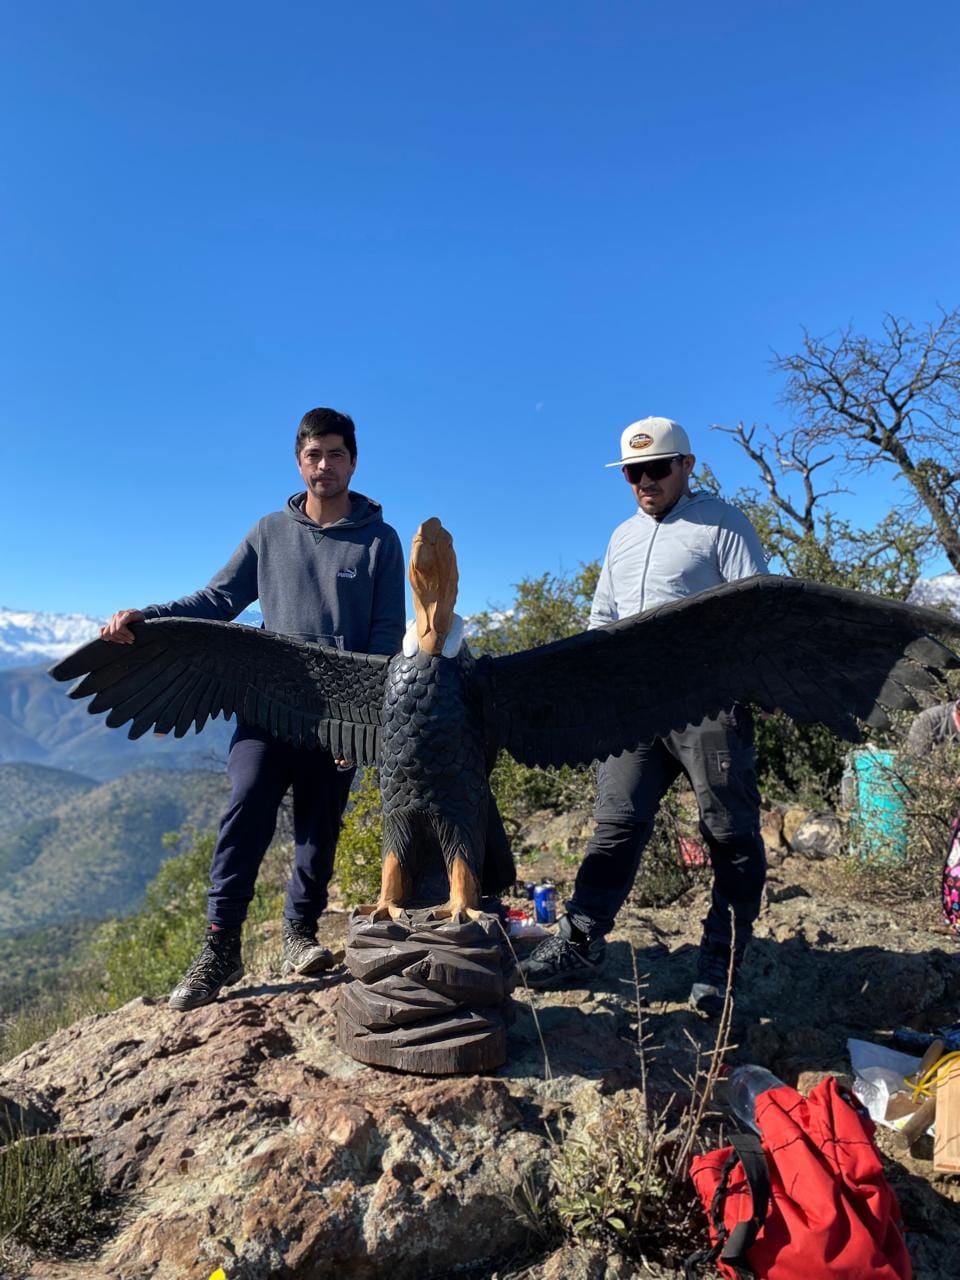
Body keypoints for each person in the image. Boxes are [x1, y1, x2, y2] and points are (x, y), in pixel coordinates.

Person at [102, 407, 406, 1010]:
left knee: (319, 828)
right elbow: (218, 599)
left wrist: (360, 720)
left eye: (336, 454)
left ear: (353, 462)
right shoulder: (269, 532)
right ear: (299, 461)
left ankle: (299, 934)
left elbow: (385, 635)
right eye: (314, 454)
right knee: (246, 802)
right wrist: (150, 618)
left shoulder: (380, 541)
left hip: (338, 714)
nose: (324, 465)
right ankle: (220, 947)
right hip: (267, 705)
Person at [520, 416, 769, 1018]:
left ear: (687, 465)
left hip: (706, 705)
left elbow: (756, 611)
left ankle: (722, 961)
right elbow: (601, 619)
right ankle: (580, 942)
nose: (644, 482)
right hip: (630, 709)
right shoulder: (623, 537)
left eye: (656, 468)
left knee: (729, 830)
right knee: (616, 822)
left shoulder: (723, 524)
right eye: (632, 472)